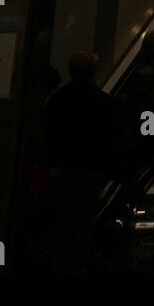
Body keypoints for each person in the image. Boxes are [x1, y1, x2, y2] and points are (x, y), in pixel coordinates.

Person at [42, 51, 122, 275]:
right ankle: (77, 267)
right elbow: (111, 138)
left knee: (60, 227)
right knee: (83, 228)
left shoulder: (57, 100)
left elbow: (49, 136)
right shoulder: (103, 102)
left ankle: (59, 266)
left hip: (62, 171)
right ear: (92, 73)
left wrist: (49, 165)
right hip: (90, 172)